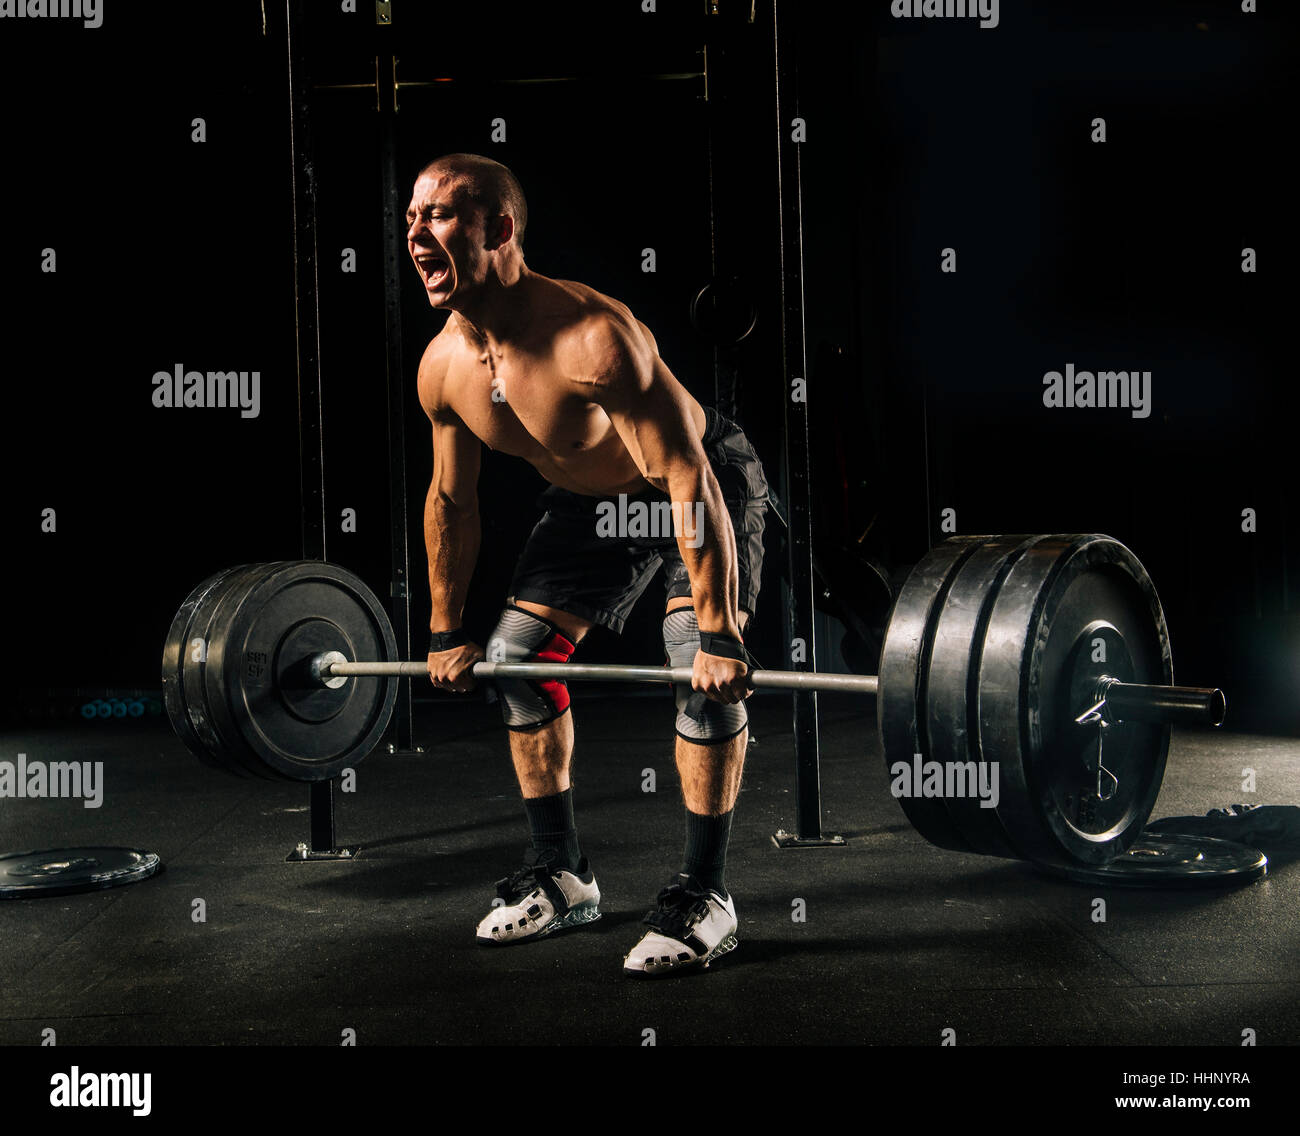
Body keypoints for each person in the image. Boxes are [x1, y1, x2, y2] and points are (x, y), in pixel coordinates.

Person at [410, 153, 768, 976]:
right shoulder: (443, 367)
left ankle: (704, 893)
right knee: (513, 663)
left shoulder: (592, 338)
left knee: (695, 669)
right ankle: (563, 874)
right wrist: (442, 629)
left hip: (698, 482)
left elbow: (685, 477)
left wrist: (718, 631)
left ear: (499, 229)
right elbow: (450, 504)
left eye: (438, 216)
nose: (416, 235)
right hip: (589, 507)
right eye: (410, 219)